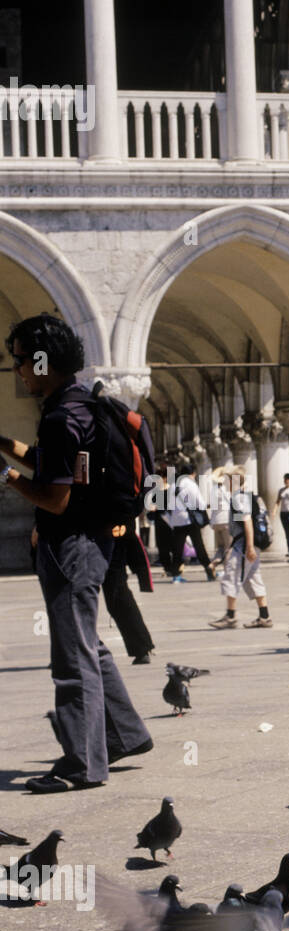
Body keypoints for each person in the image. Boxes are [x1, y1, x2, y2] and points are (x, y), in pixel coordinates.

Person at [0, 313, 152, 792]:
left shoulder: (64, 416)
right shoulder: (79, 405)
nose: (19, 369)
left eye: (21, 359)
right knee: (89, 645)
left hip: (71, 545)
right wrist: (4, 446)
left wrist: (4, 478)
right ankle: (124, 734)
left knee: (72, 658)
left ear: (44, 360)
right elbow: (52, 465)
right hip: (91, 542)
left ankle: (82, 763)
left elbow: (55, 496)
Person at [209, 468, 271, 629]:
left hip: (244, 544)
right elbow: (240, 522)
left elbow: (247, 521)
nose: (225, 483)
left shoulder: (239, 498)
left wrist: (249, 547)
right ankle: (264, 616)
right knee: (253, 578)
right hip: (245, 543)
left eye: (227, 480)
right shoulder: (246, 496)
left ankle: (230, 616)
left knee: (231, 575)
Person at [102, 516, 156, 664]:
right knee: (116, 594)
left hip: (111, 532)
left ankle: (141, 646)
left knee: (117, 594)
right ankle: (68, 650)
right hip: (107, 530)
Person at [165, 460, 214, 582]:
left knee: (177, 548)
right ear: (192, 473)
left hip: (177, 521)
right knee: (199, 546)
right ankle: (209, 570)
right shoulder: (191, 485)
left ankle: (176, 575)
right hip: (190, 520)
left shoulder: (173, 486)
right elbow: (201, 504)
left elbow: (169, 505)